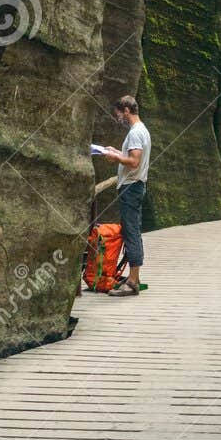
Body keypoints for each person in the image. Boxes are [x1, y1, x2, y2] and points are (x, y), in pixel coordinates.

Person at [96, 95, 150, 297]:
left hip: (131, 187)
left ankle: (133, 282)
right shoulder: (142, 130)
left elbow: (134, 162)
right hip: (135, 186)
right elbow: (133, 156)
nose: (118, 117)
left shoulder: (135, 133)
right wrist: (116, 151)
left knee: (131, 232)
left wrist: (115, 157)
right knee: (133, 230)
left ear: (126, 110)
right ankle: (133, 277)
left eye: (119, 112)